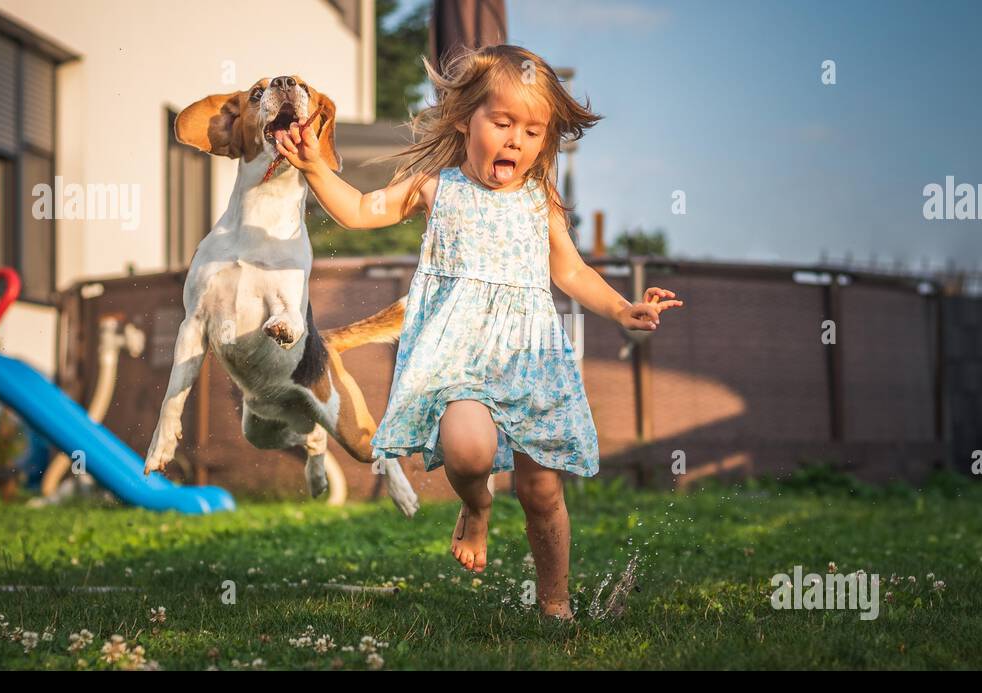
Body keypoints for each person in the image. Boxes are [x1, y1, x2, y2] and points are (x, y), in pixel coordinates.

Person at [276, 44, 683, 620]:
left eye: (534, 131)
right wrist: (316, 166)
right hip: (457, 357)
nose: (517, 140)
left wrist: (621, 309)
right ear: (467, 119)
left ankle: (555, 603)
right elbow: (363, 210)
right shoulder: (435, 188)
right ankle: (477, 506)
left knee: (543, 491)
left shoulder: (540, 201)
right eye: (503, 123)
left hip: (529, 359)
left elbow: (569, 271)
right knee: (469, 454)